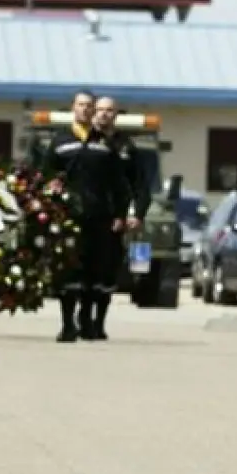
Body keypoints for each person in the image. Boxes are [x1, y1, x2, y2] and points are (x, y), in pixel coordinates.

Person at [40, 90, 132, 343]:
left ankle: (89, 322)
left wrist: (120, 214)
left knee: (95, 272)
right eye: (81, 105)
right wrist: (51, 190)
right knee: (68, 272)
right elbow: (45, 175)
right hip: (68, 218)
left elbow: (119, 184)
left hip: (99, 217)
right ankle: (67, 323)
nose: (86, 110)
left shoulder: (105, 145)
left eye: (90, 106)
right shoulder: (59, 142)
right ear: (73, 108)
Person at [93, 94, 146, 339]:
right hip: (86, 215)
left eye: (109, 110)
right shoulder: (84, 141)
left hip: (115, 220)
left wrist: (138, 213)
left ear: (116, 115)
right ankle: (79, 319)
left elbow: (140, 185)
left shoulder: (127, 147)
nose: (104, 114)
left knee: (107, 272)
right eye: (100, 109)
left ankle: (98, 322)